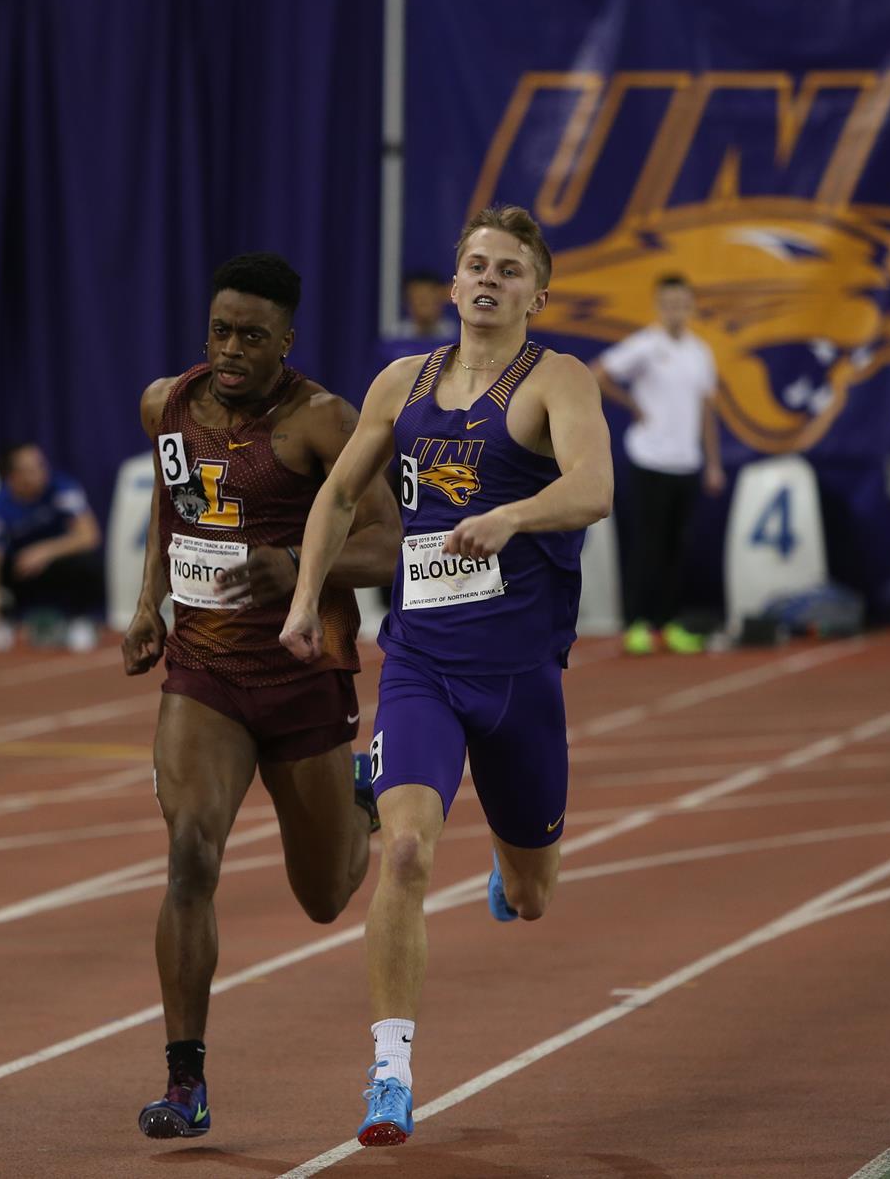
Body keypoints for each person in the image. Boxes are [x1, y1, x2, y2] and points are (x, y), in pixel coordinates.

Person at [282, 205, 611, 1148]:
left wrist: (514, 517)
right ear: (453, 279)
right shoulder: (401, 382)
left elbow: (595, 487)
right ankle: (391, 1071)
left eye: (509, 270)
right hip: (421, 661)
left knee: (536, 890)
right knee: (410, 850)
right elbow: (341, 491)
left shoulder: (556, 380)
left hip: (520, 677)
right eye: (475, 264)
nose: (487, 280)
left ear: (536, 293)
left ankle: (514, 875)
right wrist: (306, 597)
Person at [123, 251, 400, 1141]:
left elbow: (392, 544)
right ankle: (185, 1080)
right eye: (220, 330)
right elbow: (173, 509)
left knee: (325, 895)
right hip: (202, 673)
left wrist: (300, 567)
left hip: (302, 673)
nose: (231, 349)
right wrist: (145, 608)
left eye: (252, 335)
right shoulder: (167, 403)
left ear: (288, 339)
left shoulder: (324, 423)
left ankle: (364, 803)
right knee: (189, 853)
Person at [590, 272, 722, 656]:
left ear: (691, 306)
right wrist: (634, 405)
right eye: (669, 304)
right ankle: (638, 624)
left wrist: (712, 463)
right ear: (658, 306)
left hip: (687, 463)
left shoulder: (701, 352)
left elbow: (706, 411)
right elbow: (599, 372)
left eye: (682, 303)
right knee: (647, 547)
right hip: (650, 461)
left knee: (676, 548)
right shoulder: (646, 345)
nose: (676, 310)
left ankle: (669, 624)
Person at [0, 442, 105, 651]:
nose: (40, 473)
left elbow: (89, 535)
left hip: (58, 567)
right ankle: (7, 620)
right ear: (12, 477)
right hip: (21, 574)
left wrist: (45, 551)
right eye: (30, 469)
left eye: (40, 465)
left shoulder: (62, 487)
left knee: (91, 564)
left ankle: (79, 619)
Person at [371, 269, 454, 376]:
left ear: (441, 299)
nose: (424, 304)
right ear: (407, 301)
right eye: (418, 298)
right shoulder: (390, 344)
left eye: (429, 297)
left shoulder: (458, 341)